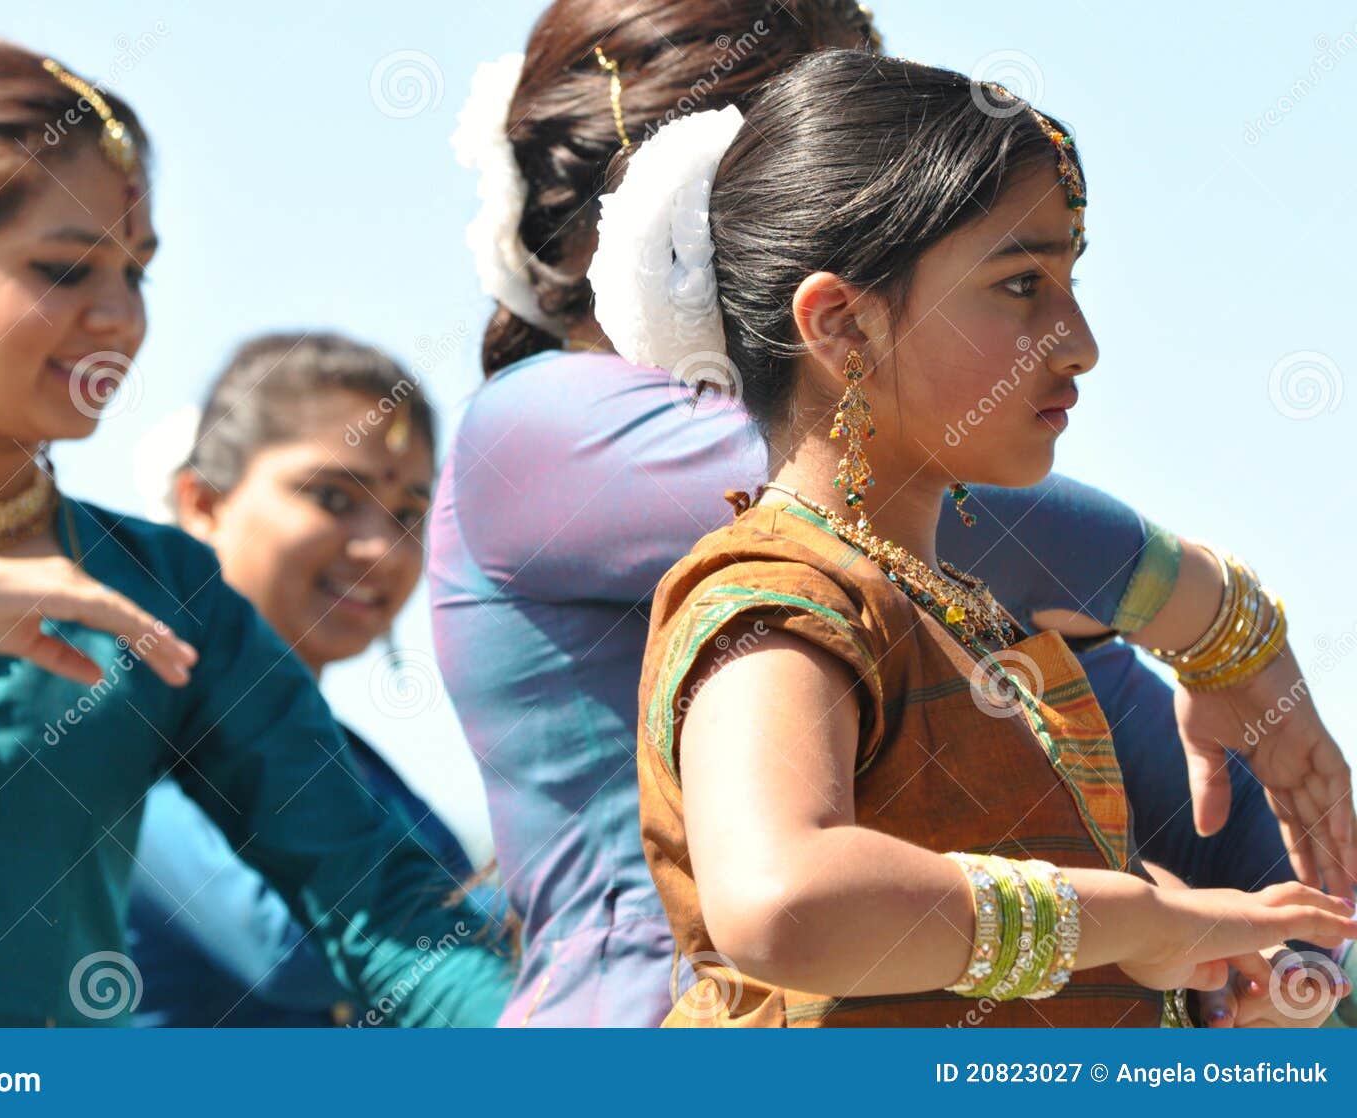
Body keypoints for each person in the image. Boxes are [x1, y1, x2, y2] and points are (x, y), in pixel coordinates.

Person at [432, 0, 1353, 1026]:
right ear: (833, 311)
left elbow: (1078, 863)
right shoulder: (759, 572)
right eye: (1017, 281)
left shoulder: (947, 600)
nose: (1080, 339)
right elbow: (784, 894)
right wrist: (1225, 629)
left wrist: (1229, 957)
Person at [0, 38, 508, 1027]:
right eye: (64, 269)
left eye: (137, 273)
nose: (118, 319)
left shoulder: (165, 590)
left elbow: (380, 908)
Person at [126, 333, 498, 1027]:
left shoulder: (364, 773)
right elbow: (286, 947)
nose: (378, 549)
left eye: (408, 515)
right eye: (332, 496)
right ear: (203, 503)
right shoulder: (136, 735)